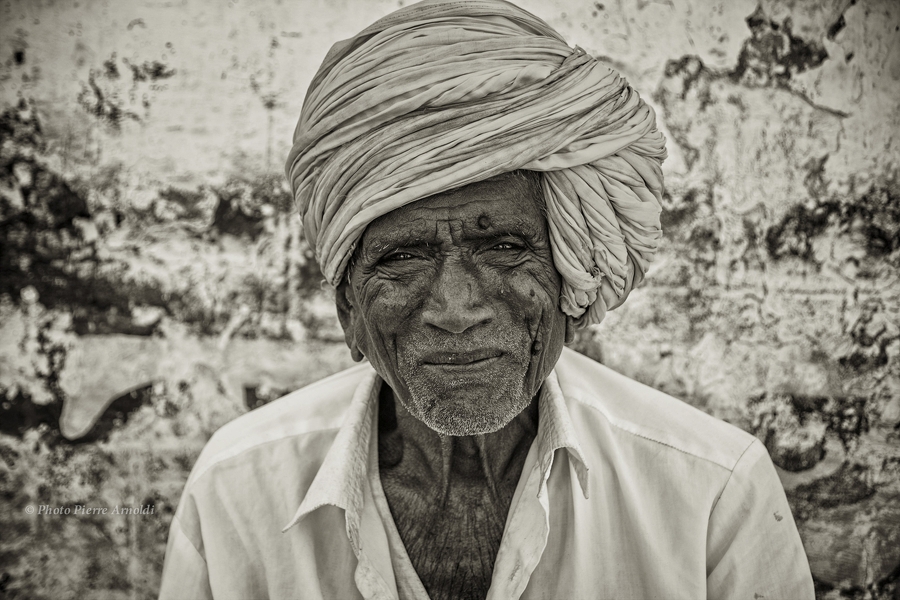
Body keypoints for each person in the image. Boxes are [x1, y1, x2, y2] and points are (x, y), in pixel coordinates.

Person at [159, 0, 815, 598]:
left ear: (570, 277)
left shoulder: (711, 494)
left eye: (503, 246)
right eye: (403, 257)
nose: (455, 308)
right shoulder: (237, 493)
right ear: (348, 314)